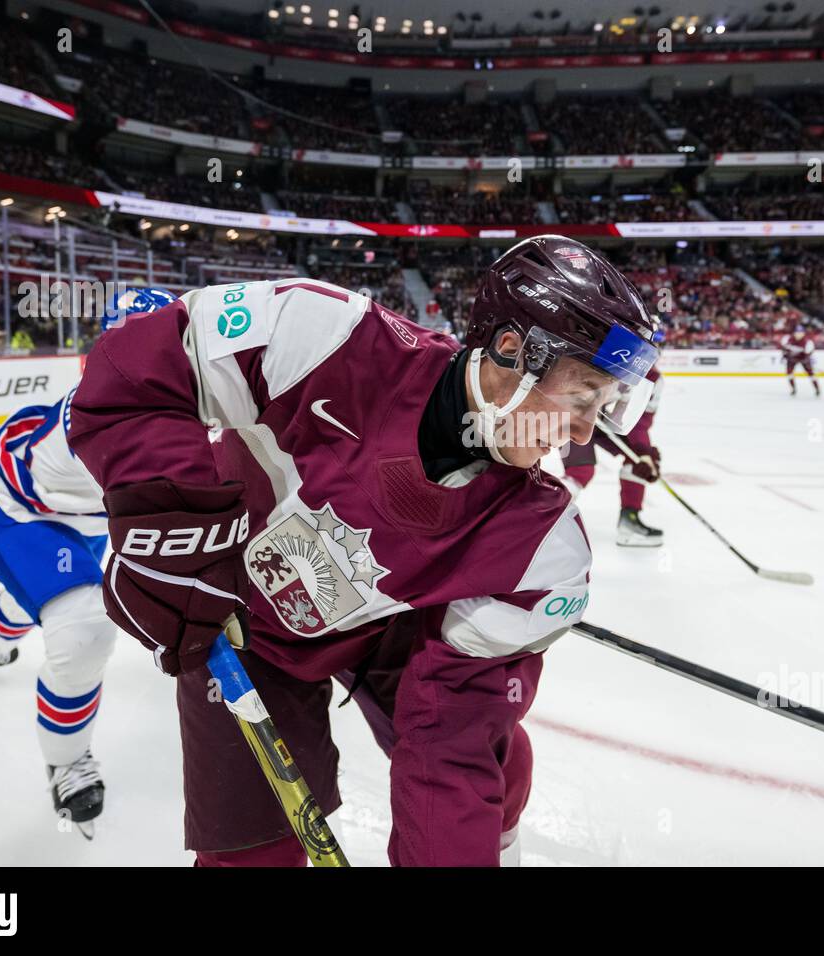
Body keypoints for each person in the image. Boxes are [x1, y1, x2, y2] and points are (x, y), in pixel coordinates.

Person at [66, 235, 660, 867]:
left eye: (602, 408)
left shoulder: (543, 551)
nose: (582, 435)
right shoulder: (328, 336)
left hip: (395, 627)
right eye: (579, 398)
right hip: (237, 618)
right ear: (510, 350)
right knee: (249, 851)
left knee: (494, 767)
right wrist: (164, 536)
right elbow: (143, 364)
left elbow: (449, 748)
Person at [0, 287, 178, 837]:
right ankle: (67, 762)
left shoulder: (176, 400)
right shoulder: (97, 418)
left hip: (85, 511)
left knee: (57, 589)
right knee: (82, 627)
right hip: (16, 504)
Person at [561, 364, 665, 546]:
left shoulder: (652, 378)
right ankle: (547, 515)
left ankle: (629, 522)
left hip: (601, 421)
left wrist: (643, 453)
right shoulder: (611, 355)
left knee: (638, 460)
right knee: (581, 470)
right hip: (572, 416)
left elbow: (636, 423)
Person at [781, 324, 820, 396]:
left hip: (804, 360)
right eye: (797, 333)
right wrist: (785, 355)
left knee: (811, 374)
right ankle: (793, 389)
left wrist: (805, 358)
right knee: (789, 374)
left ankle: (817, 389)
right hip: (792, 359)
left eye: (800, 333)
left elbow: (809, 352)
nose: (798, 335)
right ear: (794, 333)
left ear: (804, 333)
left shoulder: (808, 342)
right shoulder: (787, 339)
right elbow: (784, 350)